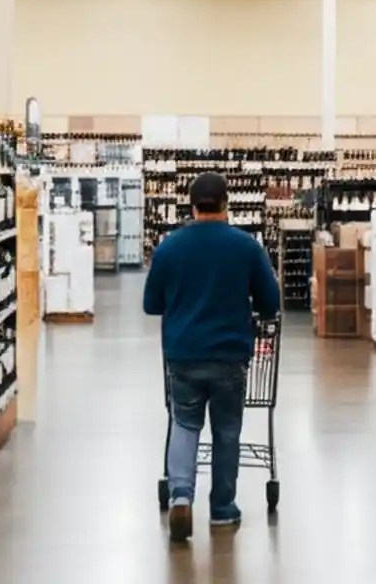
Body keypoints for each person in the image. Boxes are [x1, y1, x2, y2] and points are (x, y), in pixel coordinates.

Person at [143, 171, 281, 542]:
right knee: (227, 430)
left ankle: (181, 495)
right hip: (229, 356)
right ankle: (222, 509)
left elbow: (150, 304)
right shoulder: (247, 248)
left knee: (185, 424)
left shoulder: (169, 247)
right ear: (226, 205)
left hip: (183, 355)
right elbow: (271, 305)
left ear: (191, 206)